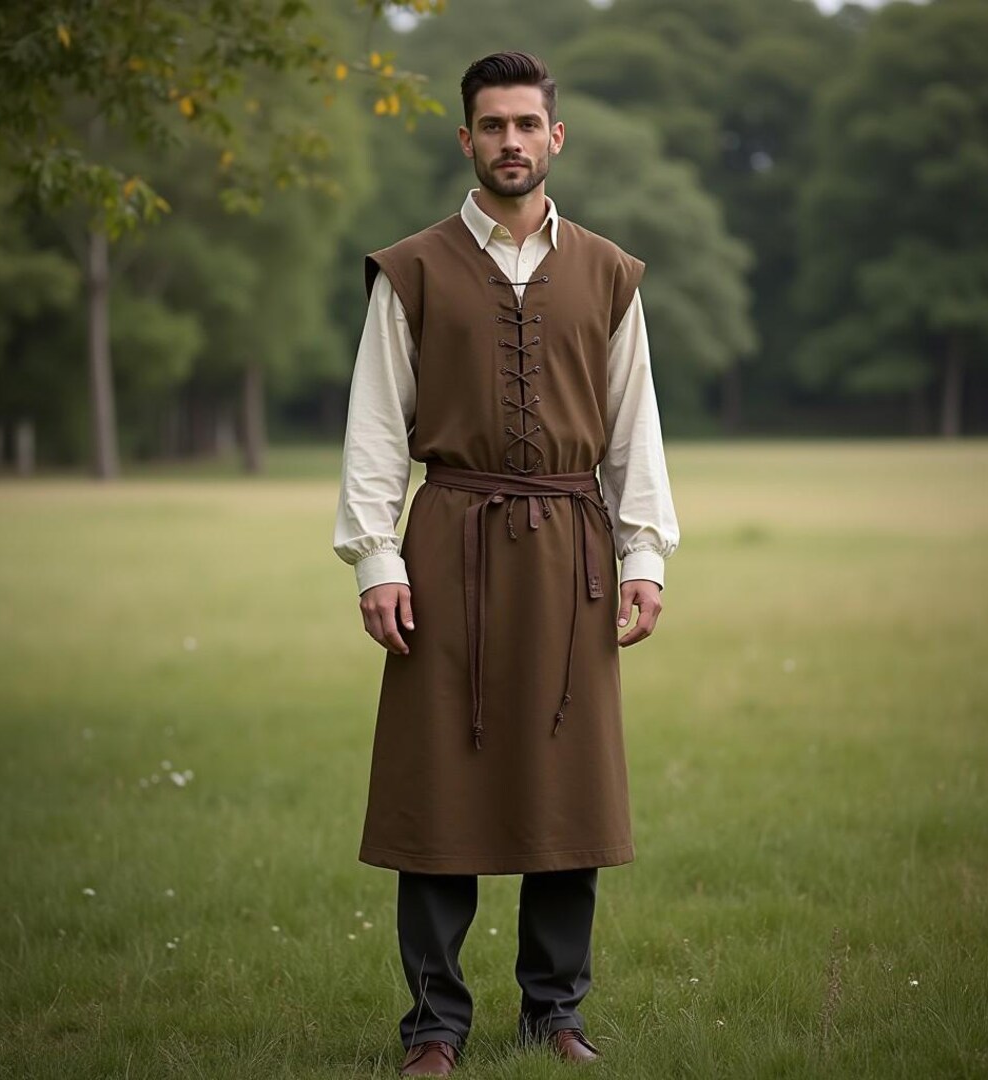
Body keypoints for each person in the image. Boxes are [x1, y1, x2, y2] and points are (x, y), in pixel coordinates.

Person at [334, 51, 679, 1077]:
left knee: (566, 788)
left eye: (529, 125)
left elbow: (635, 430)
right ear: (466, 139)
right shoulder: (414, 269)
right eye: (494, 127)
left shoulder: (610, 272)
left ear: (555, 137)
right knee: (437, 789)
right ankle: (434, 1027)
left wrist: (644, 553)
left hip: (572, 548)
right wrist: (376, 561)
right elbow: (373, 431)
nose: (513, 143)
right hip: (449, 548)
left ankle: (554, 1015)